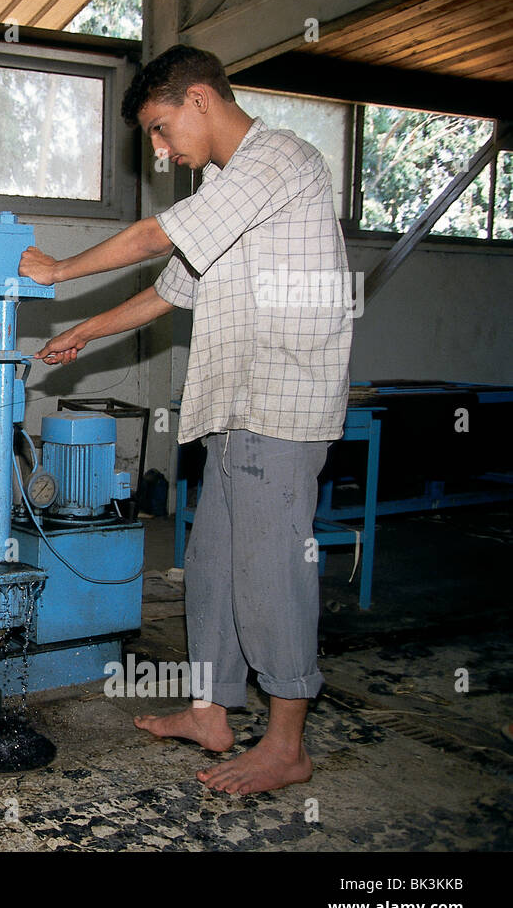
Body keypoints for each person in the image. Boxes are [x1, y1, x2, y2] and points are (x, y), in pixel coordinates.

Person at [19, 44, 353, 795]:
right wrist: (87, 329)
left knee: (270, 574)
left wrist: (60, 268)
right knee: (212, 568)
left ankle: (287, 743)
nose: (163, 151)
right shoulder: (231, 189)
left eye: (163, 130)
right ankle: (211, 710)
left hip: (282, 403)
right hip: (237, 404)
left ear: (201, 97)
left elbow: (155, 235)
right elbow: (172, 289)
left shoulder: (278, 161)